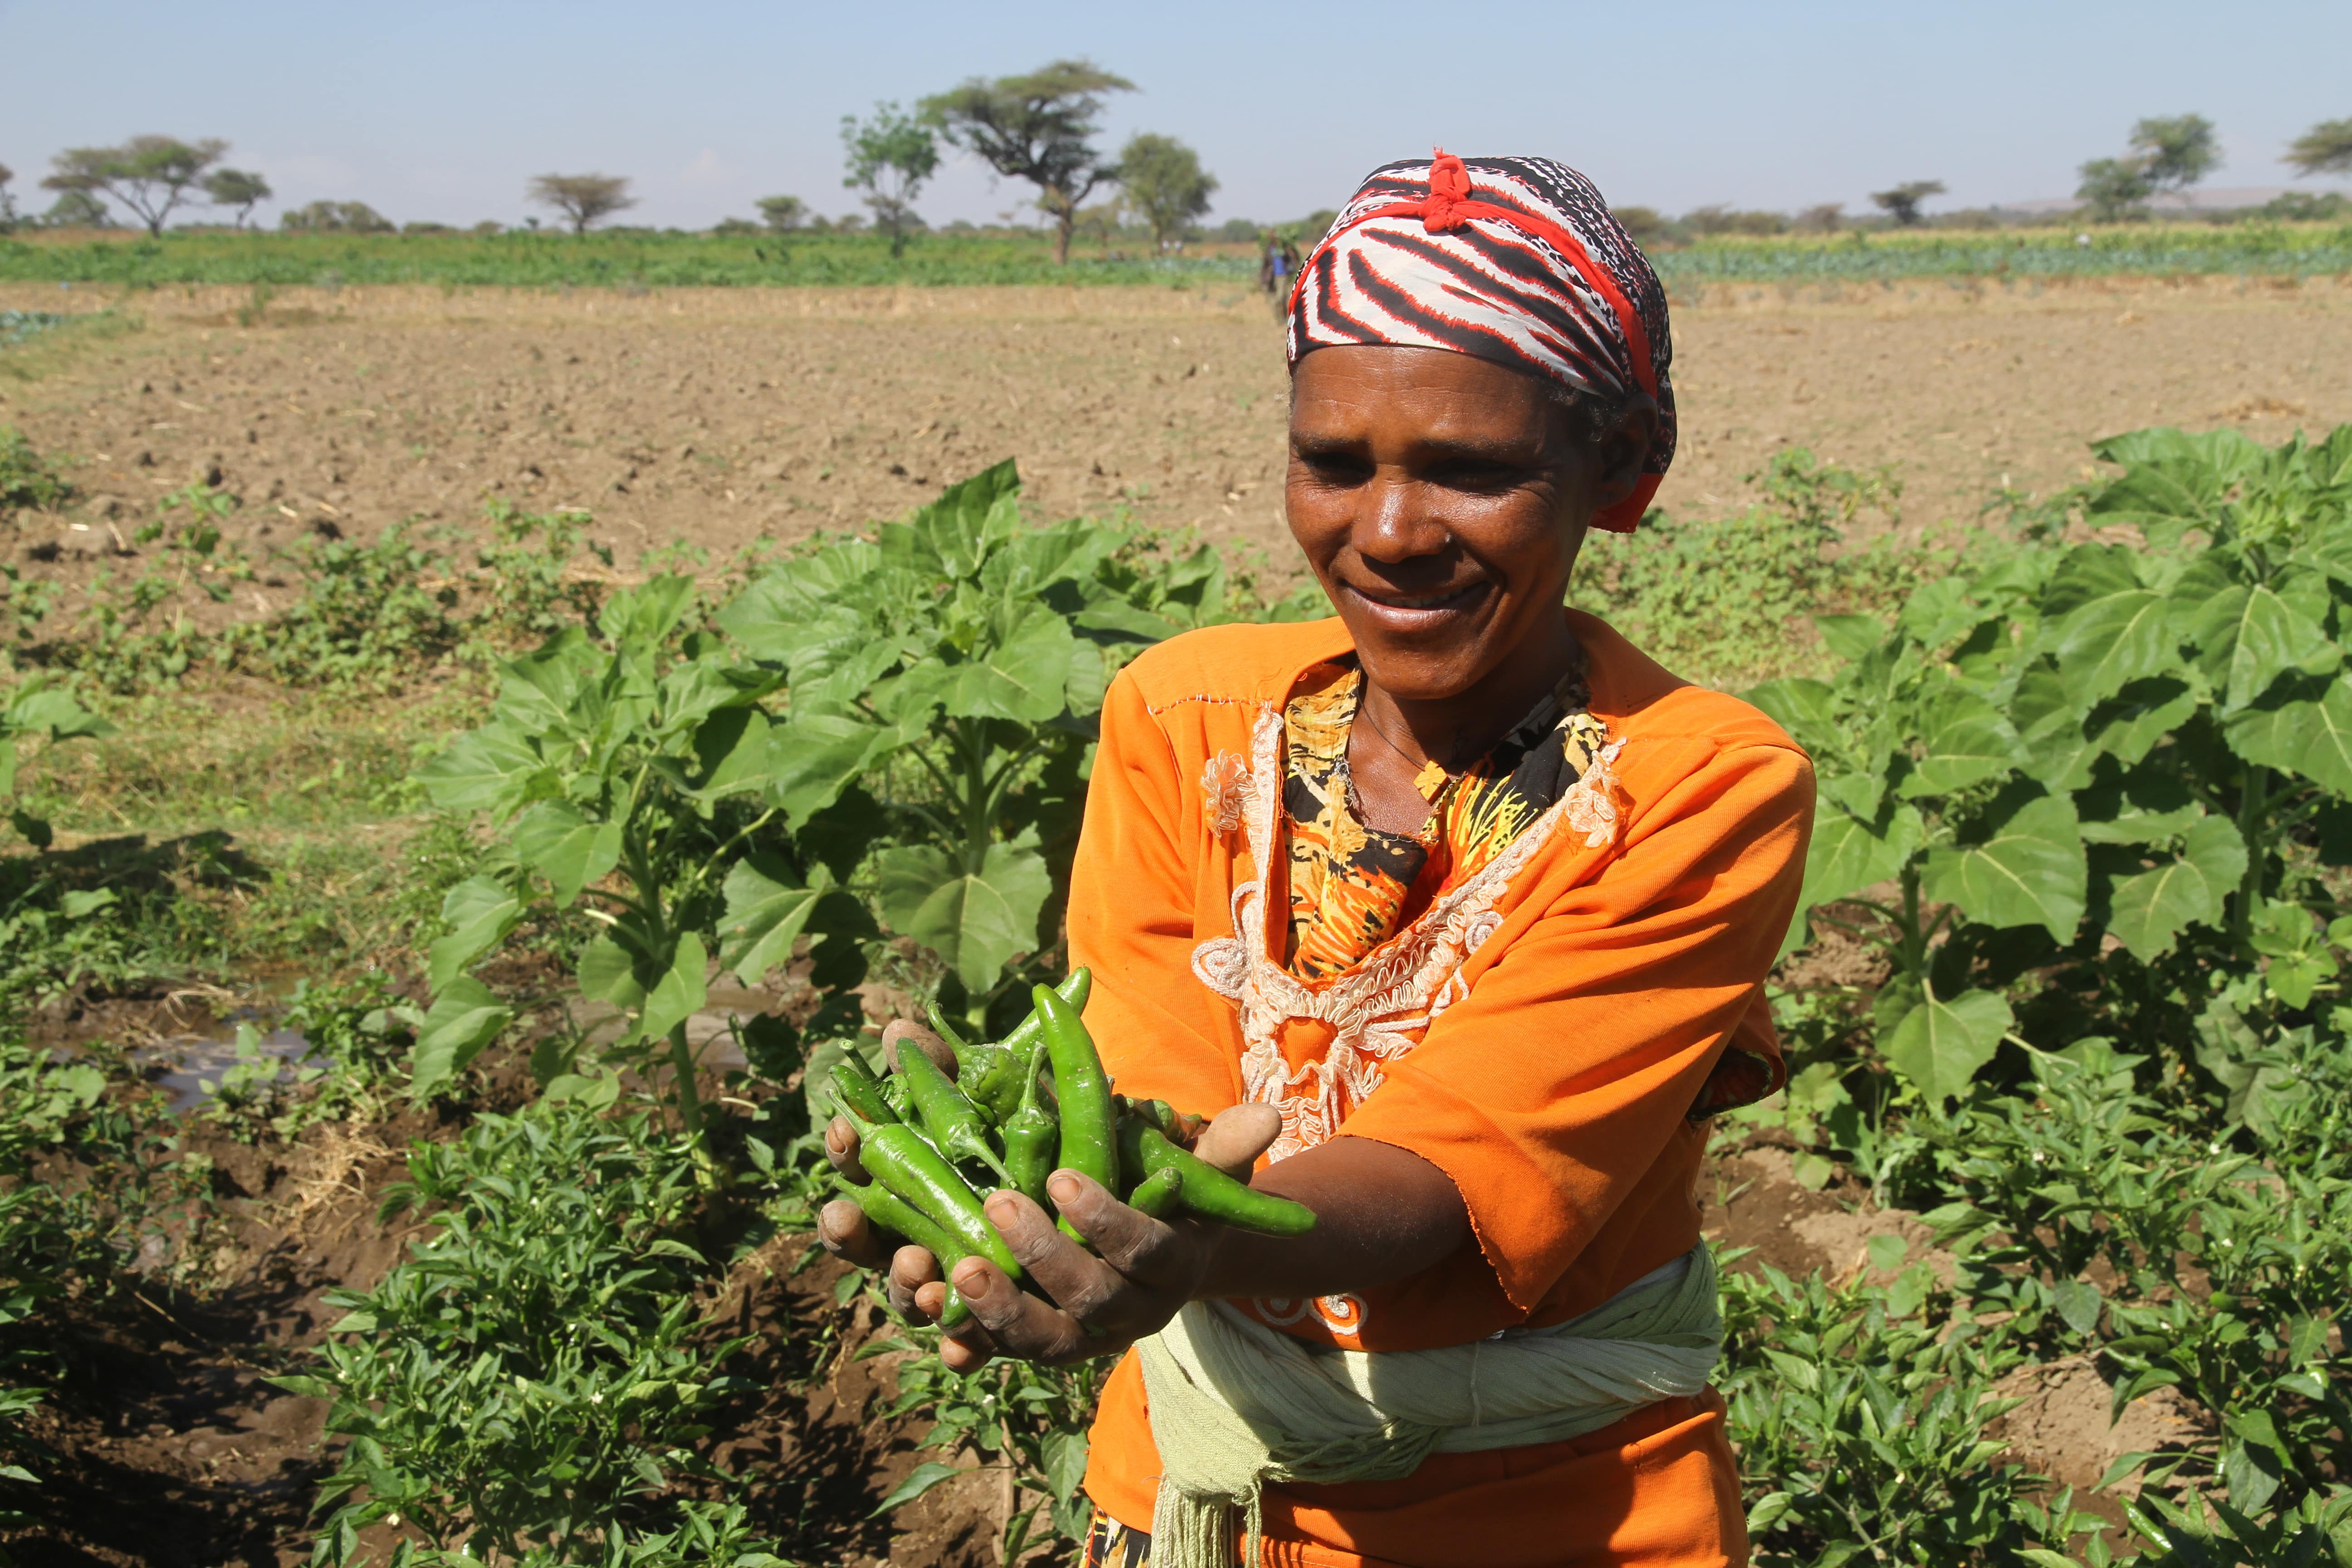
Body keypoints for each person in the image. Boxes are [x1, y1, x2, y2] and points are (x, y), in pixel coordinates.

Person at [821, 152, 1814, 1568]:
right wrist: (1025, 1196)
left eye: (1472, 471)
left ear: (1616, 466)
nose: (1389, 533)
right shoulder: (1186, 716)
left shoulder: (1697, 783)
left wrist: (1189, 1241)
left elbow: (1449, 1167)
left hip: (1551, 1517)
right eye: (1335, 465)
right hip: (1192, 1490)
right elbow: (1153, 1088)